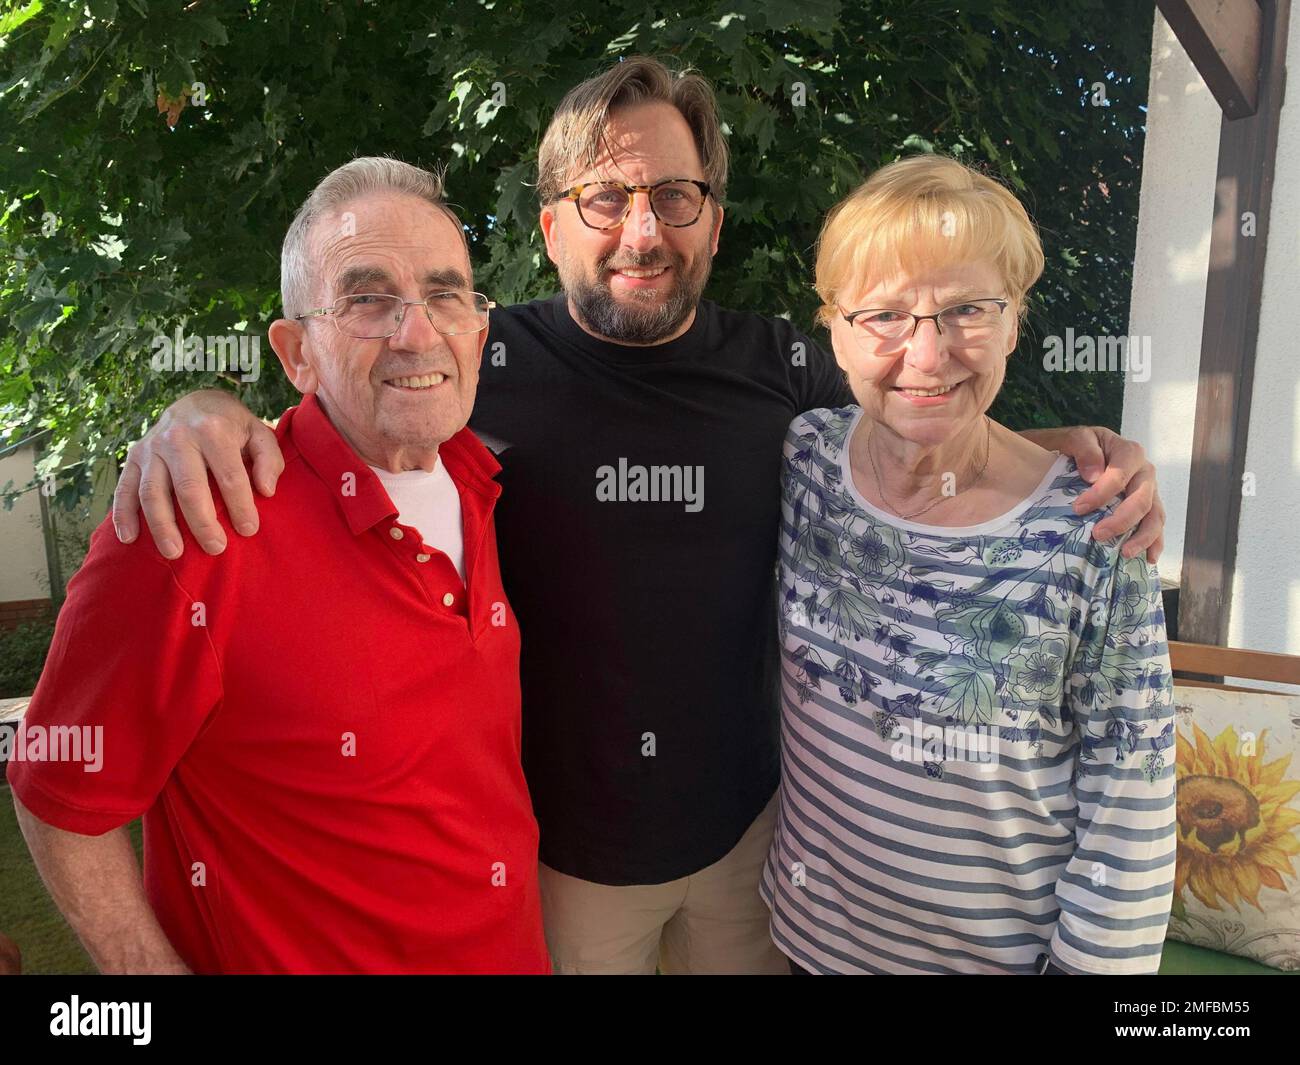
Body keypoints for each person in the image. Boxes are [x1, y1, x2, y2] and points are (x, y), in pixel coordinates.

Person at [109, 58, 1166, 974]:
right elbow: (335, 411)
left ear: (712, 214)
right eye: (606, 199)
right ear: (551, 223)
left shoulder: (790, 375)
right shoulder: (474, 361)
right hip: (566, 860)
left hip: (755, 845)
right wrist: (194, 408)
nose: (643, 232)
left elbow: (920, 394)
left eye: (675, 195)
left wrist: (1074, 447)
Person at [8, 158, 549, 974]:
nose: (417, 331)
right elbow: (56, 788)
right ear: (296, 352)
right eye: (368, 299)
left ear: (478, 326)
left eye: (445, 294)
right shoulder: (196, 524)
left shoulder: (479, 479)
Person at [763, 156, 1175, 974]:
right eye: (883, 314)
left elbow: (1130, 805)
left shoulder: (1092, 527)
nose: (927, 352)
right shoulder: (804, 459)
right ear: (834, 330)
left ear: (1016, 320)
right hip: (803, 948)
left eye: (967, 311)